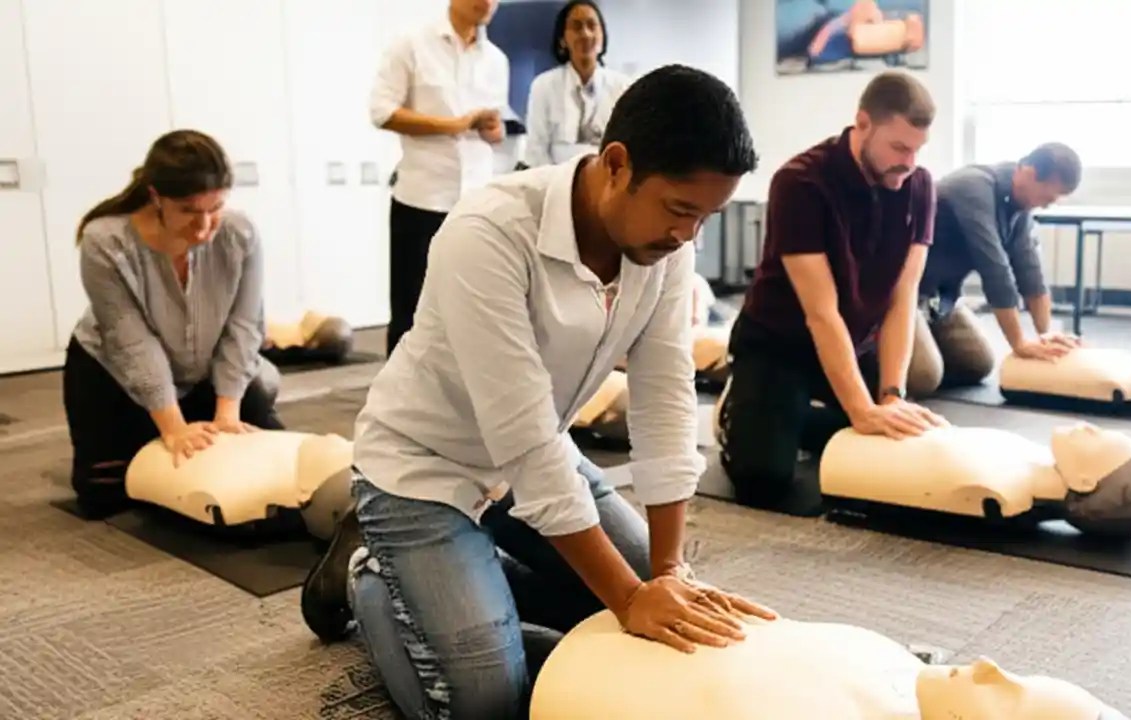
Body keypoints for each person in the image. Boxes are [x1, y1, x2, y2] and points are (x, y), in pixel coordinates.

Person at [299, 64, 777, 720]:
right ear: (616, 164)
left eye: (706, 216)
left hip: (531, 464)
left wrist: (665, 572)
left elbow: (666, 400)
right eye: (679, 209)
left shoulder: (666, 247)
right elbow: (522, 436)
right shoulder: (488, 232)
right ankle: (371, 578)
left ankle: (471, 586)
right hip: (422, 471)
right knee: (488, 699)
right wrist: (630, 600)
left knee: (657, 604)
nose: (688, 235)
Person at [715, 71, 948, 518]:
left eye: (918, 149)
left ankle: (790, 416)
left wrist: (891, 394)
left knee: (896, 427)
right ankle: (741, 409)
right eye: (899, 148)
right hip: (780, 344)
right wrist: (861, 408)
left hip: (853, 342)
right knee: (763, 479)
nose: (911, 162)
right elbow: (820, 313)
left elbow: (904, 299)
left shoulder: (919, 186)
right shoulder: (800, 183)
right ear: (862, 124)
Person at [62, 129, 283, 520]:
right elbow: (130, 340)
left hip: (203, 372)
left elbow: (244, 326)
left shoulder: (239, 234)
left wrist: (227, 416)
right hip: (114, 374)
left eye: (214, 209)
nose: (203, 227)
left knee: (264, 467)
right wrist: (174, 428)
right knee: (105, 496)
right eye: (188, 211)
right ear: (155, 197)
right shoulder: (105, 242)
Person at [369, 0, 511, 355]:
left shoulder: (497, 60)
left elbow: (494, 130)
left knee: (472, 313)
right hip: (422, 200)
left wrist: (494, 130)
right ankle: (398, 406)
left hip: (476, 206)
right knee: (411, 314)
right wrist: (455, 125)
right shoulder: (412, 44)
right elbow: (381, 111)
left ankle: (457, 403)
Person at [916, 143, 1084, 384]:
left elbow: (1030, 272)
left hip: (941, 299)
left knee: (977, 364)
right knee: (924, 376)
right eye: (1047, 197)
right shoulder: (972, 186)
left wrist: (1046, 336)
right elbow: (994, 269)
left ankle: (923, 340)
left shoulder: (1021, 204)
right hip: (904, 296)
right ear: (1030, 172)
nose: (1046, 205)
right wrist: (1020, 343)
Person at [523, 0, 630, 168]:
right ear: (562, 40)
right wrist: (559, 186)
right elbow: (536, 150)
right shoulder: (543, 86)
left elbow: (628, 147)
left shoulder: (622, 87)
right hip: (555, 183)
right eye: (576, 26)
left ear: (602, 37)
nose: (585, 34)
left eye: (591, 25)